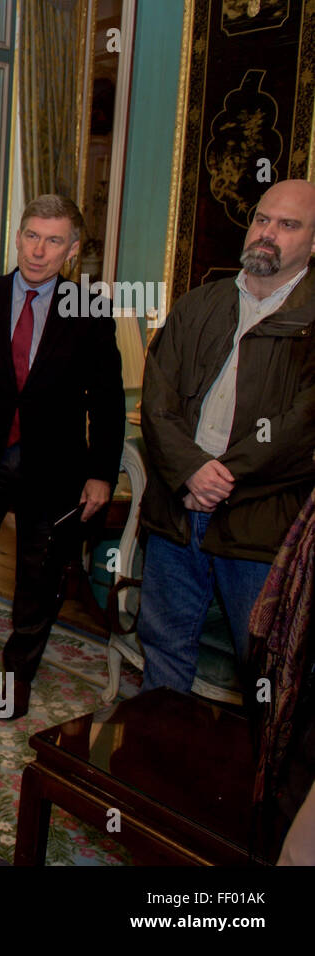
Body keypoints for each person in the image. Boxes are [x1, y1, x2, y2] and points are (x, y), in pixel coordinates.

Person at [0, 194, 124, 719]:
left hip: (54, 472)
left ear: (73, 249)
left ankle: (16, 681)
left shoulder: (90, 310)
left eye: (53, 240)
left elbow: (107, 400)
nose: (38, 250)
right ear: (18, 236)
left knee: (38, 584)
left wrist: (102, 474)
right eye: (31, 235)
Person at [139, 179, 315, 692]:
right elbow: (158, 401)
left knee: (268, 670)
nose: (268, 233)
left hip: (259, 525)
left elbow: (302, 425)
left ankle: (255, 776)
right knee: (163, 650)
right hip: (178, 511)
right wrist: (191, 469)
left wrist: (225, 476)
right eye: (263, 219)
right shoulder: (199, 304)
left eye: (288, 225)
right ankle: (156, 763)